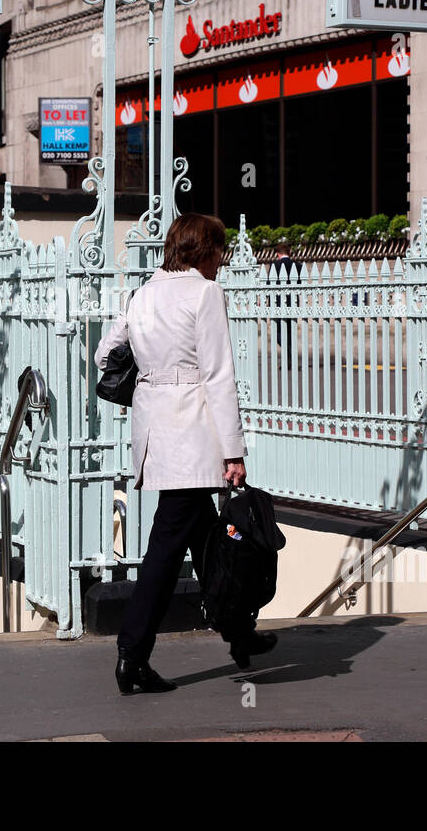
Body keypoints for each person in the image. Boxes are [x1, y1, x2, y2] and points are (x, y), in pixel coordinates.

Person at [96, 213, 277, 695]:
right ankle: (131, 655)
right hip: (193, 434)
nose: (222, 260)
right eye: (219, 250)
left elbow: (105, 355)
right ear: (203, 251)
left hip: (155, 433)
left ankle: (240, 636)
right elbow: (218, 376)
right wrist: (233, 451)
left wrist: (151, 373)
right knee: (164, 552)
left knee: (210, 543)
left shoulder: (143, 294)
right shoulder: (205, 293)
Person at [271, 238, 298, 366]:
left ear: (278, 254)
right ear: (290, 252)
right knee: (290, 332)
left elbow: (269, 286)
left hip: (278, 304)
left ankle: (288, 354)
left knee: (278, 333)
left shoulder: (275, 266)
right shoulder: (297, 266)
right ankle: (289, 357)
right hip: (293, 303)